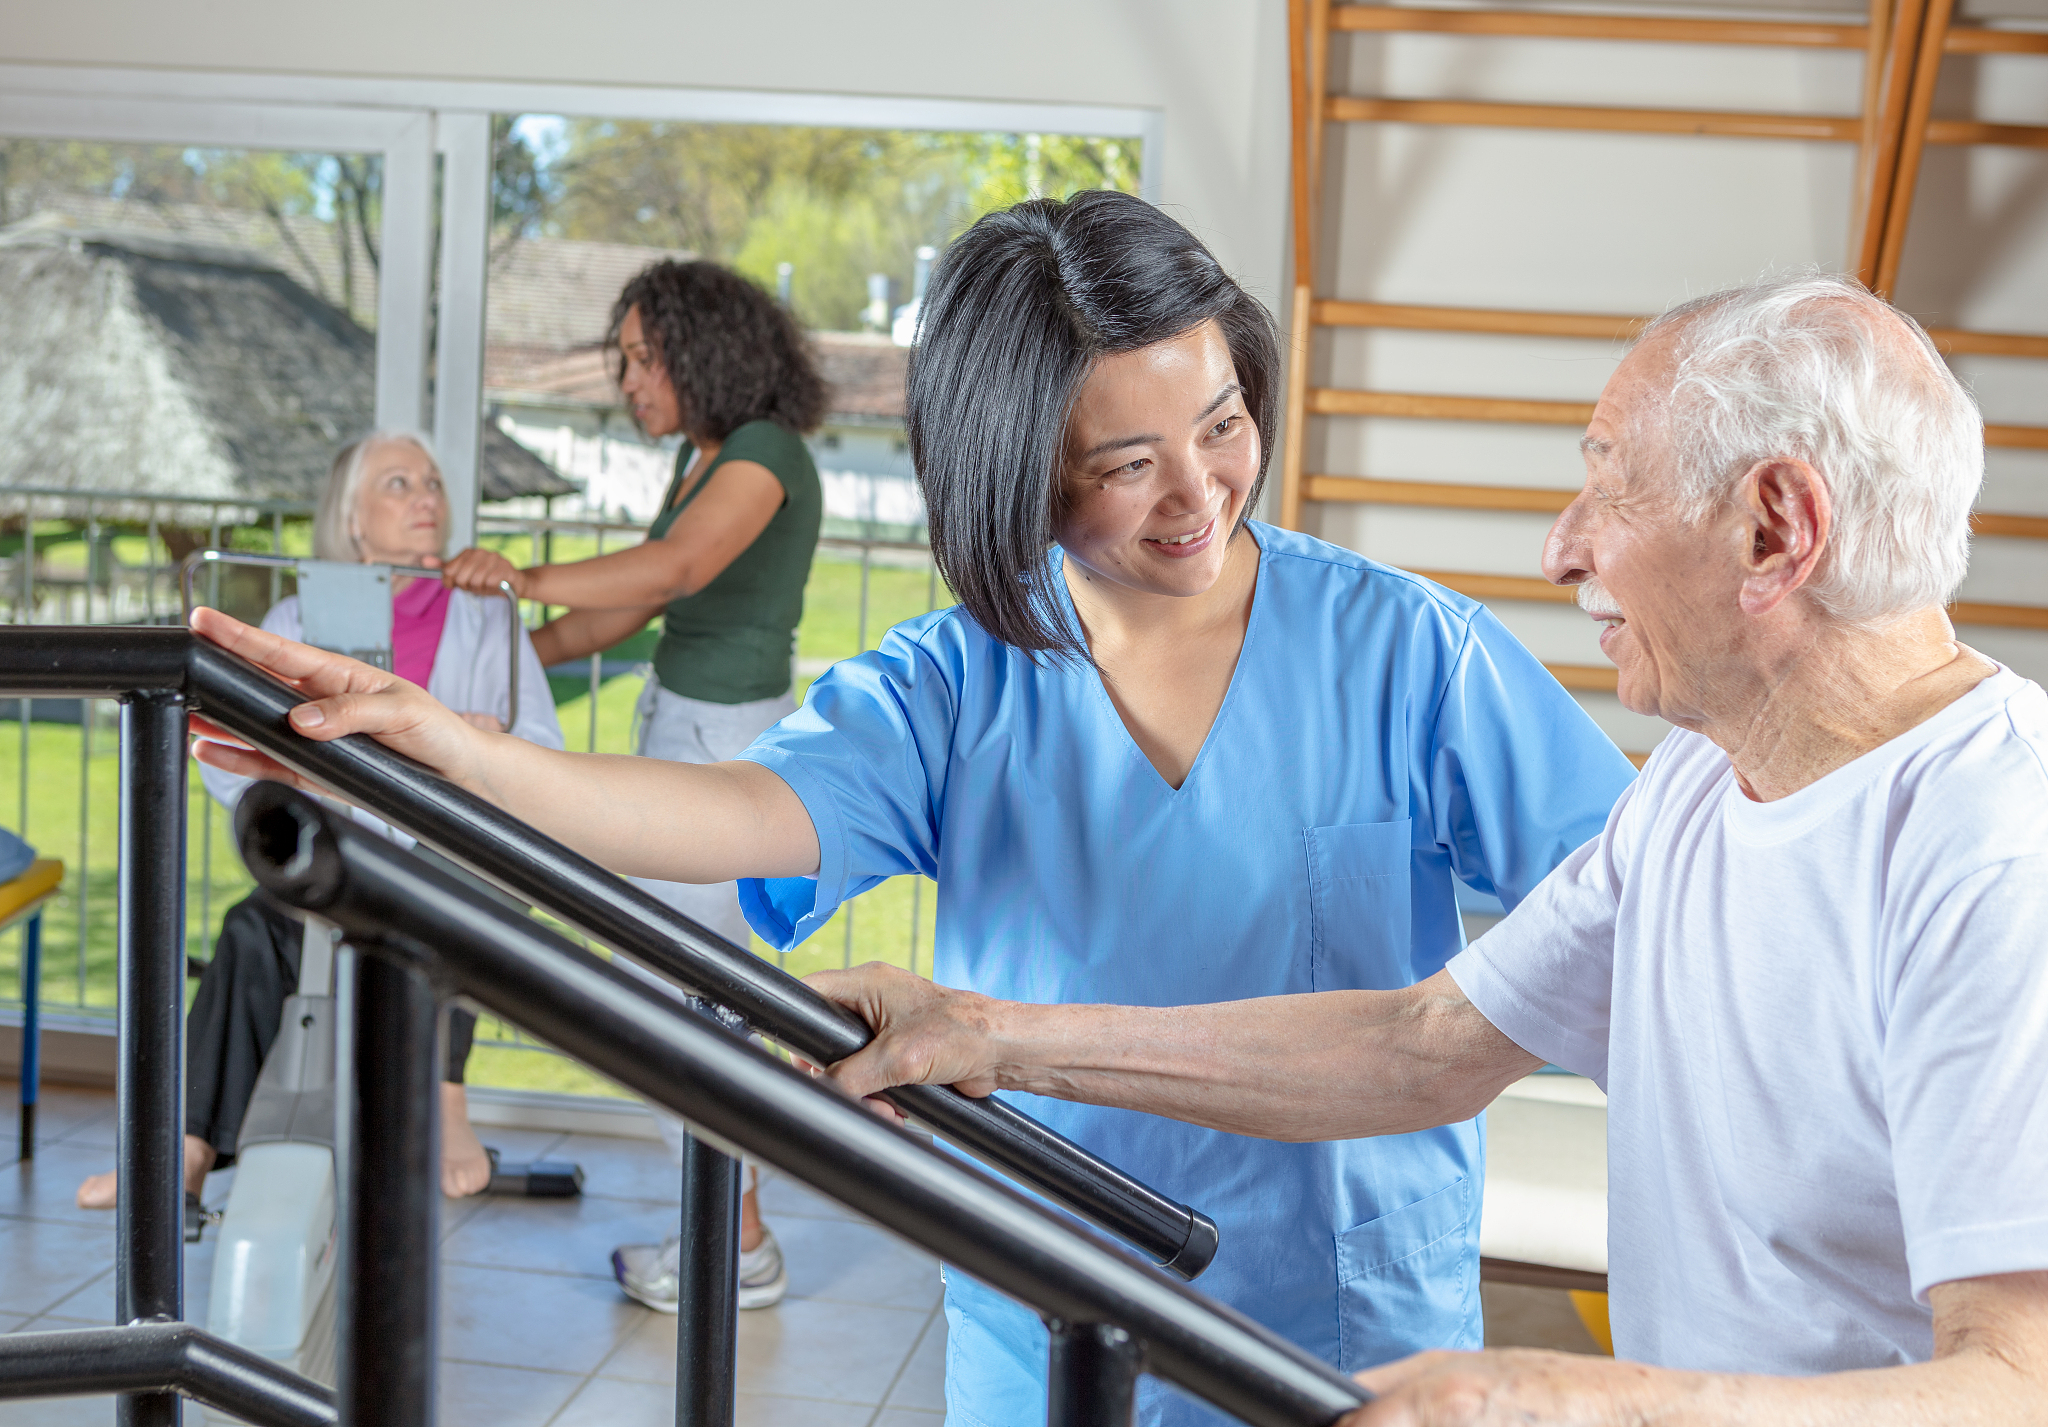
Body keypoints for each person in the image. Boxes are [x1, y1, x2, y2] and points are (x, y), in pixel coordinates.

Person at [185, 191, 1634, 1427]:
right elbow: (729, 811)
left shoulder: (1408, 649)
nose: (1199, 495)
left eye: (1223, 424)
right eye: (1126, 464)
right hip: (1050, 1291)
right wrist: (450, 746)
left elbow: (1636, 902)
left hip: (1340, 1309)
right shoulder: (960, 680)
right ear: (1017, 471)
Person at [804, 273, 2048, 1425]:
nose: (1559, 548)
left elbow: (2013, 1381)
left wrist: (1564, 1397)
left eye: (1607, 488)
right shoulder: (1697, 787)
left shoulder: (1994, 851)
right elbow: (1423, 1045)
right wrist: (984, 1032)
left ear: (1774, 529)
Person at [438, 258, 827, 1313]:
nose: (628, 381)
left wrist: (522, 573)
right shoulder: (707, 458)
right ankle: (731, 1231)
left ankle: (738, 1242)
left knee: (683, 995)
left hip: (720, 747)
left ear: (705, 354)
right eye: (625, 360)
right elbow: (626, 613)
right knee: (672, 991)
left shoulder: (761, 453)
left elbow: (674, 573)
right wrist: (499, 655)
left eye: (643, 359)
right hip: (686, 732)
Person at [77, 431, 562, 1225]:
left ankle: (445, 1101)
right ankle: (183, 1158)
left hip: (450, 865)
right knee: (249, 932)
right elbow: (236, 754)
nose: (426, 498)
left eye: (433, 483)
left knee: (472, 890)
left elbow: (542, 750)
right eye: (399, 484)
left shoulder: (488, 618)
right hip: (347, 863)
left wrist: (488, 746)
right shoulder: (301, 615)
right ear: (354, 519)